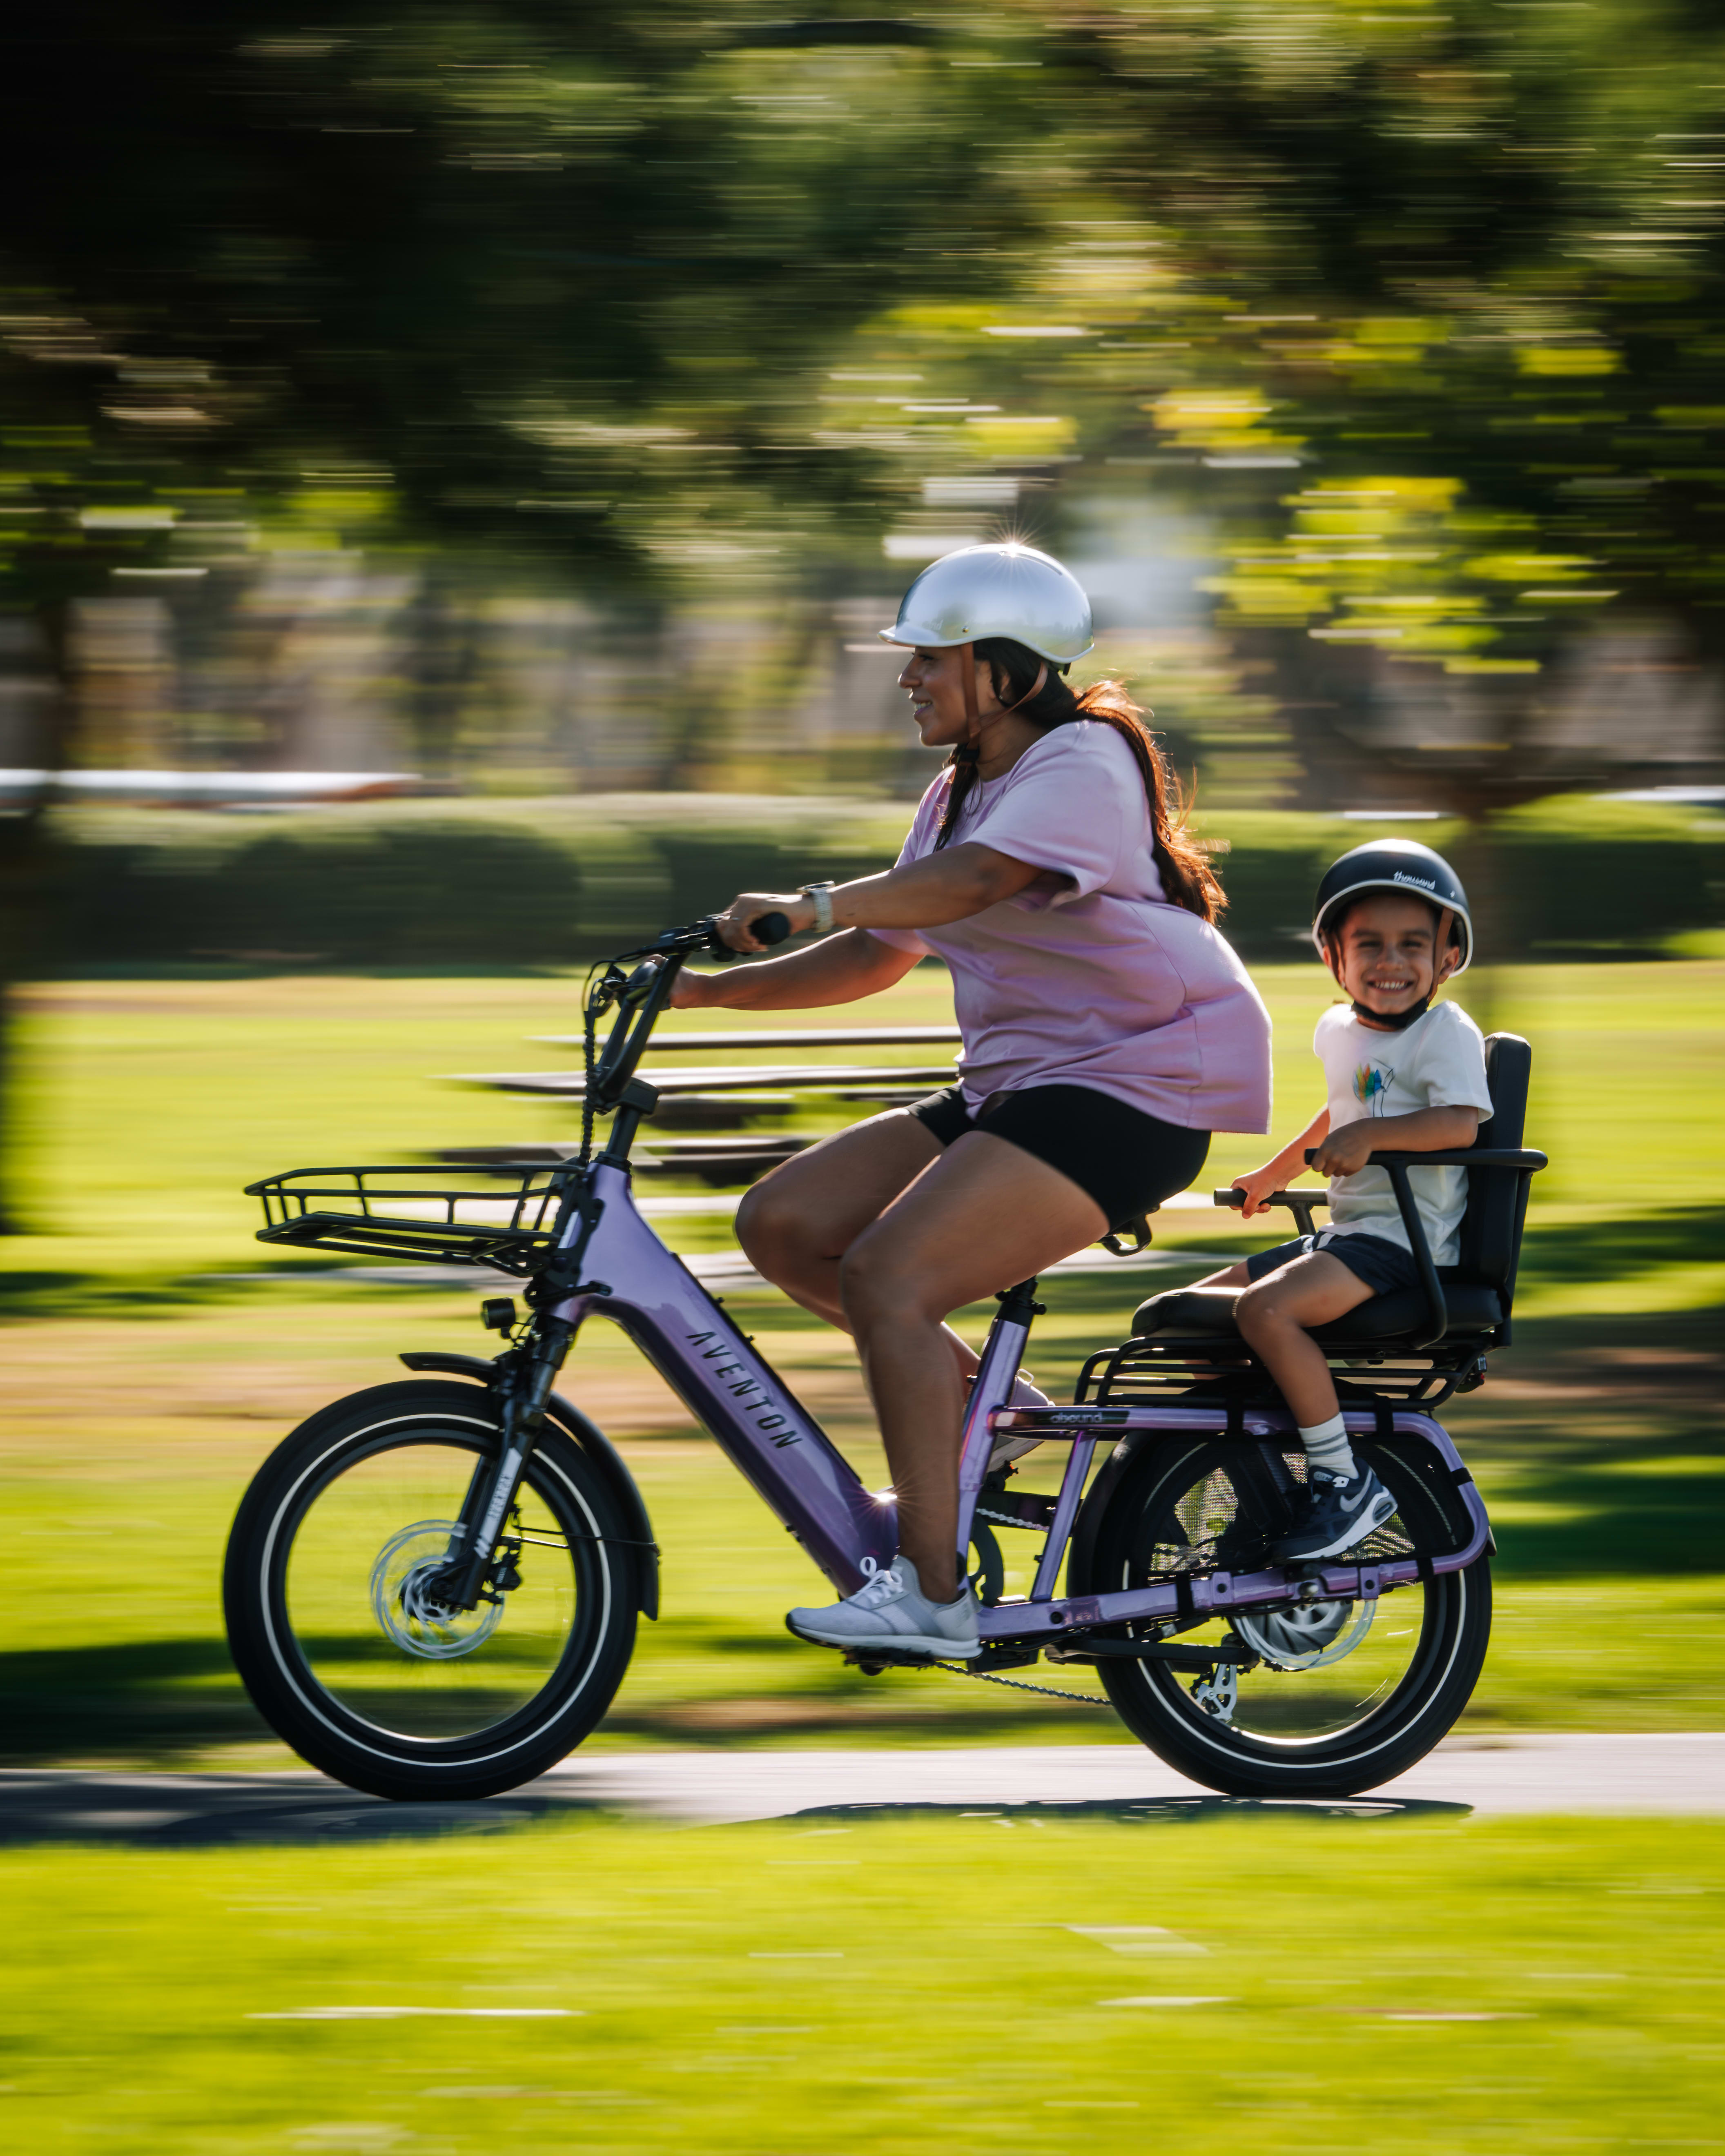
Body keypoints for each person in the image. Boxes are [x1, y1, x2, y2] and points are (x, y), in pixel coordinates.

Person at [670, 541, 1273, 1659]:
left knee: (889, 1277)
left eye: (930, 659)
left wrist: (811, 901)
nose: (908, 677)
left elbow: (976, 884)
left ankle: (933, 1596)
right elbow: (880, 954)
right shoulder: (958, 792)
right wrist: (706, 993)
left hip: (1139, 1083)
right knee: (785, 1223)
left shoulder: (1082, 761)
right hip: (1025, 1084)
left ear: (1008, 670)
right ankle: (1006, 1423)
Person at [1192, 840, 1495, 1561]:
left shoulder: (1446, 1032)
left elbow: (1460, 1122)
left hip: (1404, 1245)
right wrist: (1276, 1173)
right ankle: (1269, 1487)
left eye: (1413, 944)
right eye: (1369, 945)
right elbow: (1341, 1112)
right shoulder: (1338, 1029)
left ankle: (1343, 1480)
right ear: (1334, 957)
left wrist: (1373, 1136)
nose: (1392, 962)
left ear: (1448, 957)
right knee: (1191, 1320)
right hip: (1350, 1238)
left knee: (1265, 1310)